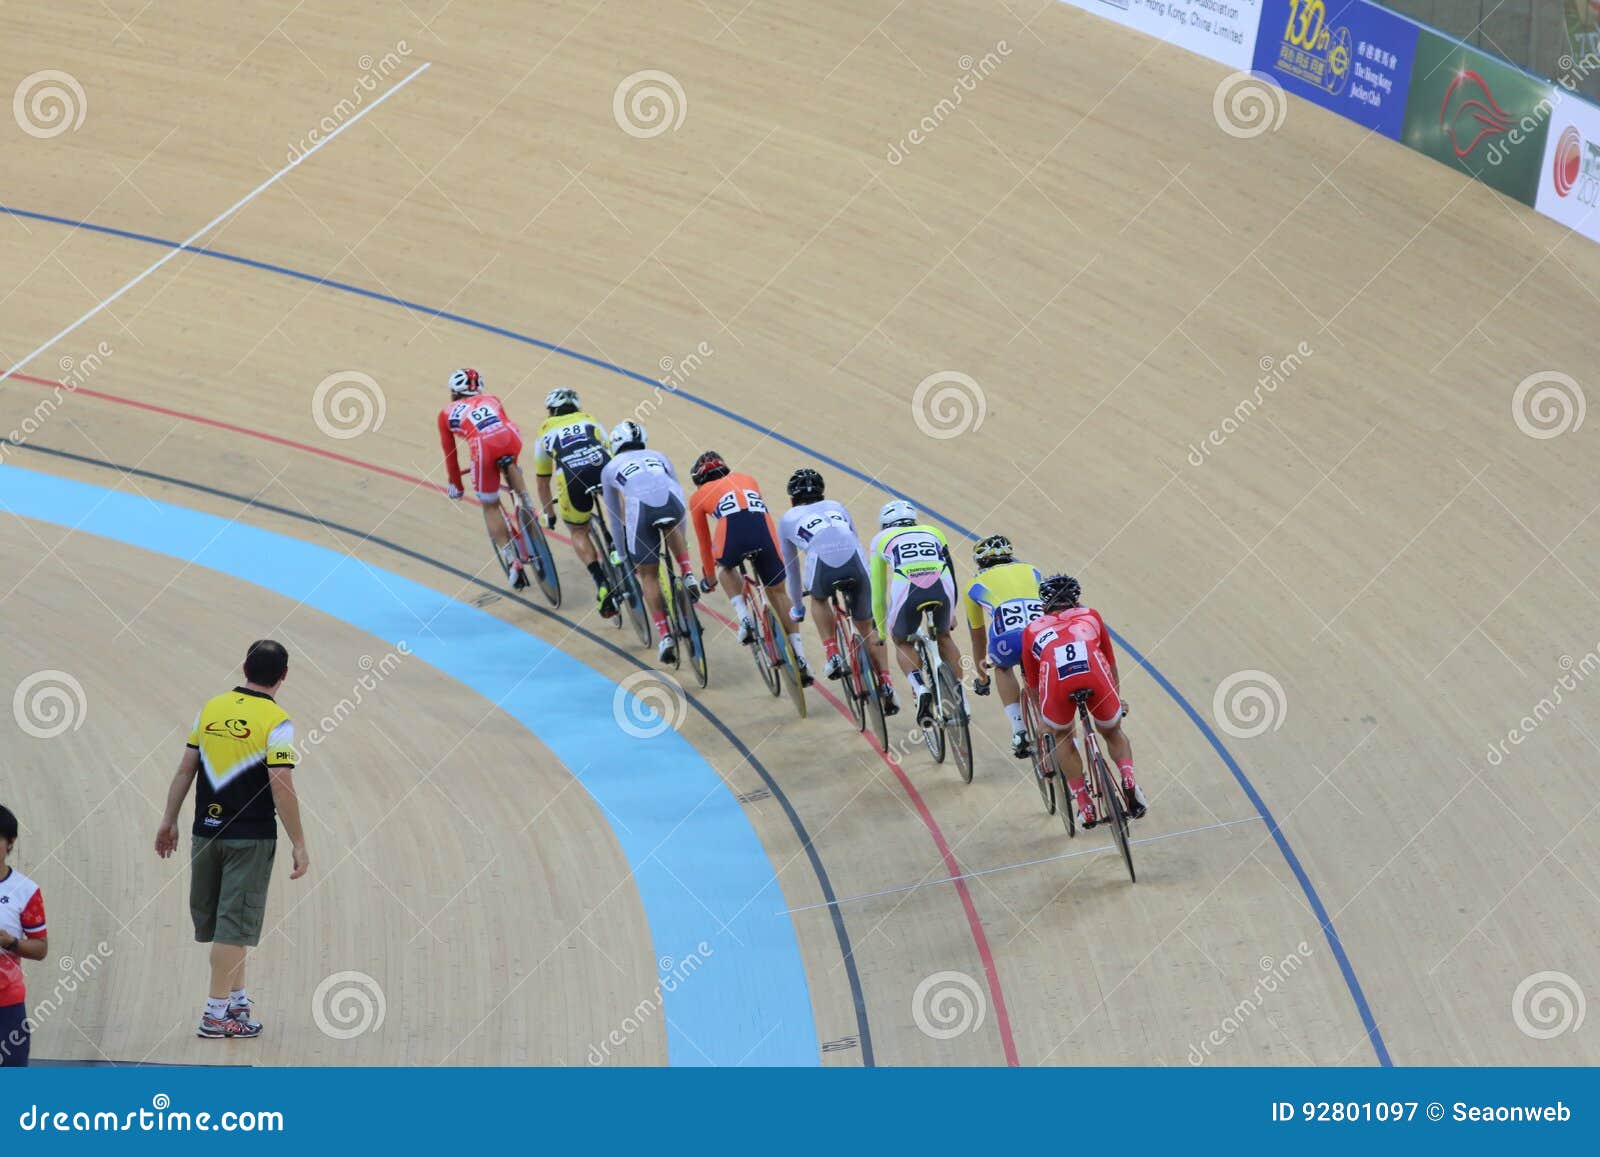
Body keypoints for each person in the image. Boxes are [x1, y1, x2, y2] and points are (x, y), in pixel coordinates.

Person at [154, 640, 310, 1040]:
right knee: (233, 929)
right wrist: (299, 842)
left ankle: (237, 1002)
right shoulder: (277, 721)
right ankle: (214, 1014)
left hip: (205, 833)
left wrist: (168, 820)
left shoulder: (211, 708)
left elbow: (186, 769)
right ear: (283, 675)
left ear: (243, 667)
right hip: (250, 837)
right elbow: (281, 785)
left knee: (227, 926)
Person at [1020, 575, 1148, 828]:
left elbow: (1033, 683)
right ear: (1075, 599)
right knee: (1112, 731)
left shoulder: (1031, 630)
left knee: (1062, 736)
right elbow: (1109, 662)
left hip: (1057, 680)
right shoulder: (1091, 614)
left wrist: (1045, 721)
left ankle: (1084, 805)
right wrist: (1116, 698)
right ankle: (1128, 777)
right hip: (1094, 673)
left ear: (1043, 604)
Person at [776, 467, 896, 712]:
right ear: (822, 494)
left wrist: (798, 607)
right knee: (867, 627)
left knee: (819, 599)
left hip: (822, 565)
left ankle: (832, 654)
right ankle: (886, 682)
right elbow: (856, 541)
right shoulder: (838, 506)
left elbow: (792, 569)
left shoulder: (788, 518)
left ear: (792, 499)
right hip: (856, 563)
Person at [688, 451, 812, 684]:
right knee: (777, 592)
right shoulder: (748, 478)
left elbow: (704, 542)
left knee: (725, 567)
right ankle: (801, 656)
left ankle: (744, 619)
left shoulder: (697, 497)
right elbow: (762, 516)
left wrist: (709, 578)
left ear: (699, 479)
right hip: (764, 535)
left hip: (733, 533)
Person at [599, 421, 699, 664]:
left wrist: (622, 554)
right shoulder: (659, 455)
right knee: (672, 523)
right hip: (673, 503)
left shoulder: (610, 467)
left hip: (641, 511)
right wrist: (682, 547)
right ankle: (687, 573)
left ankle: (665, 636)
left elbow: (614, 516)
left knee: (648, 575)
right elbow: (678, 492)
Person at [867, 499, 964, 728]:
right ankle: (962, 700)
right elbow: (951, 573)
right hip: (943, 589)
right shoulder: (934, 531)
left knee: (902, 640)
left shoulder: (880, 540)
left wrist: (881, 630)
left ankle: (920, 687)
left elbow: (878, 592)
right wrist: (951, 613)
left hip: (908, 592)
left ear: (885, 524)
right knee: (944, 636)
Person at [437, 368, 528, 590]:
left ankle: (512, 560)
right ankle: (527, 507)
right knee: (512, 466)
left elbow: (451, 455)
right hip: (511, 438)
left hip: (482, 446)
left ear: (453, 393)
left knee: (490, 504)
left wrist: (456, 486)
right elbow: (505, 423)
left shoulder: (446, 413)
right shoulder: (492, 399)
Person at [533, 387, 616, 617]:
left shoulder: (544, 430)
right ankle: (619, 546)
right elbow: (613, 454)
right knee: (618, 507)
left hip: (572, 479)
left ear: (551, 411)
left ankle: (601, 583)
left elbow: (542, 482)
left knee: (578, 529)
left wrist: (550, 513)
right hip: (602, 467)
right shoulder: (590, 419)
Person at [963, 535, 1044, 758]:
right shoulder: (1032, 570)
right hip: (1041, 635)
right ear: (1011, 557)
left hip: (1006, 641)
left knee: (1002, 667)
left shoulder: (973, 585)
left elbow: (978, 637)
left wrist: (982, 677)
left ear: (979, 563)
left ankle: (1019, 729)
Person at [0, 804, 47, 1067]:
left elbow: (41, 949)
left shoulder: (26, 891)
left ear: (10, 842)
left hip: (7, 1007)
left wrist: (10, 942)